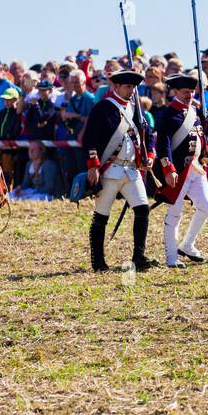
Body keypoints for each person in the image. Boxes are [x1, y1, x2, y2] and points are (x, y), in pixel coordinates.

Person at [83, 69, 156, 272]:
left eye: (133, 87)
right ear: (115, 86)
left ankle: (138, 257)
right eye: (127, 86)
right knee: (101, 216)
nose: (131, 91)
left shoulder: (135, 109)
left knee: (142, 209)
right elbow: (90, 139)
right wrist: (93, 166)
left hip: (131, 170)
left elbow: (147, 135)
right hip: (109, 170)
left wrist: (150, 156)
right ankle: (98, 262)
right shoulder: (103, 108)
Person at [154, 74, 208, 266]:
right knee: (174, 214)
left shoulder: (195, 112)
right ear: (176, 92)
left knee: (205, 207)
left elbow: (201, 136)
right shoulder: (169, 114)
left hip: (196, 167)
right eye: (186, 92)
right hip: (178, 170)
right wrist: (168, 169)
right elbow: (164, 144)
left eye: (192, 91)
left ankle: (188, 244)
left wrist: (207, 151)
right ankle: (172, 257)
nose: (190, 95)